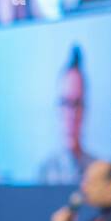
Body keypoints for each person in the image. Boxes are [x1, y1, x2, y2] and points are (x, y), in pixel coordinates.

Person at [37, 46, 95, 186]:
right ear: (57, 108)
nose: (72, 114)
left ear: (85, 109)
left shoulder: (97, 169)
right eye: (66, 103)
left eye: (77, 104)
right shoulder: (45, 171)